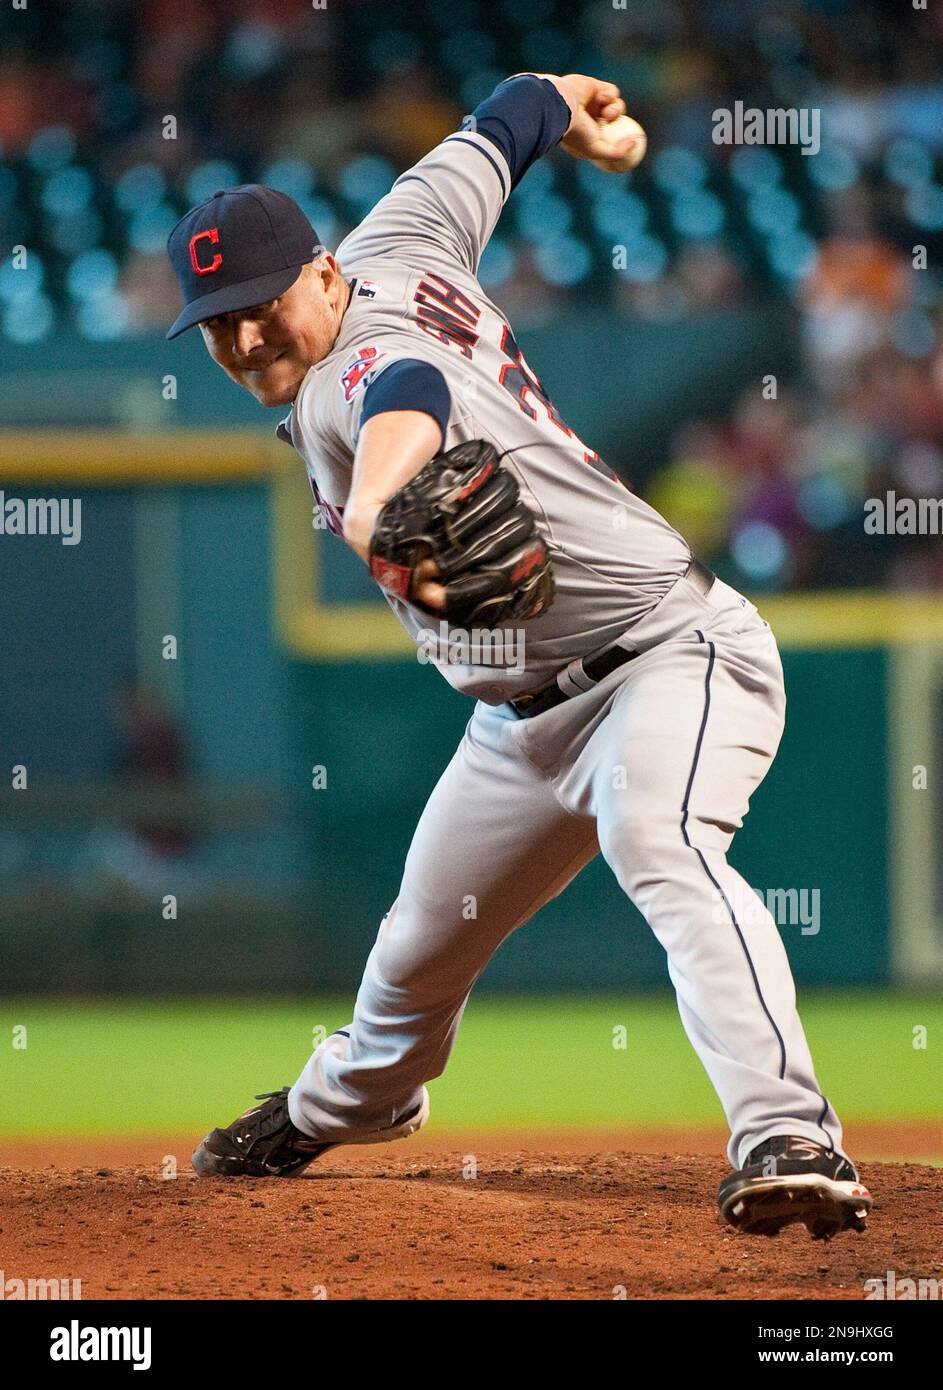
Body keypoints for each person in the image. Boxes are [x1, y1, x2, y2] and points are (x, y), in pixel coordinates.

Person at [165, 72, 871, 1239]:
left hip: (669, 659)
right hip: (521, 724)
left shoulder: (348, 372)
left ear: (323, 274)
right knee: (410, 959)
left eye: (261, 302)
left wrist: (376, 501)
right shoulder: (401, 231)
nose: (244, 336)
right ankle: (342, 1103)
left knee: (661, 839)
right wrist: (571, 109)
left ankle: (788, 1134)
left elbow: (401, 389)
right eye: (217, 321)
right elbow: (504, 120)